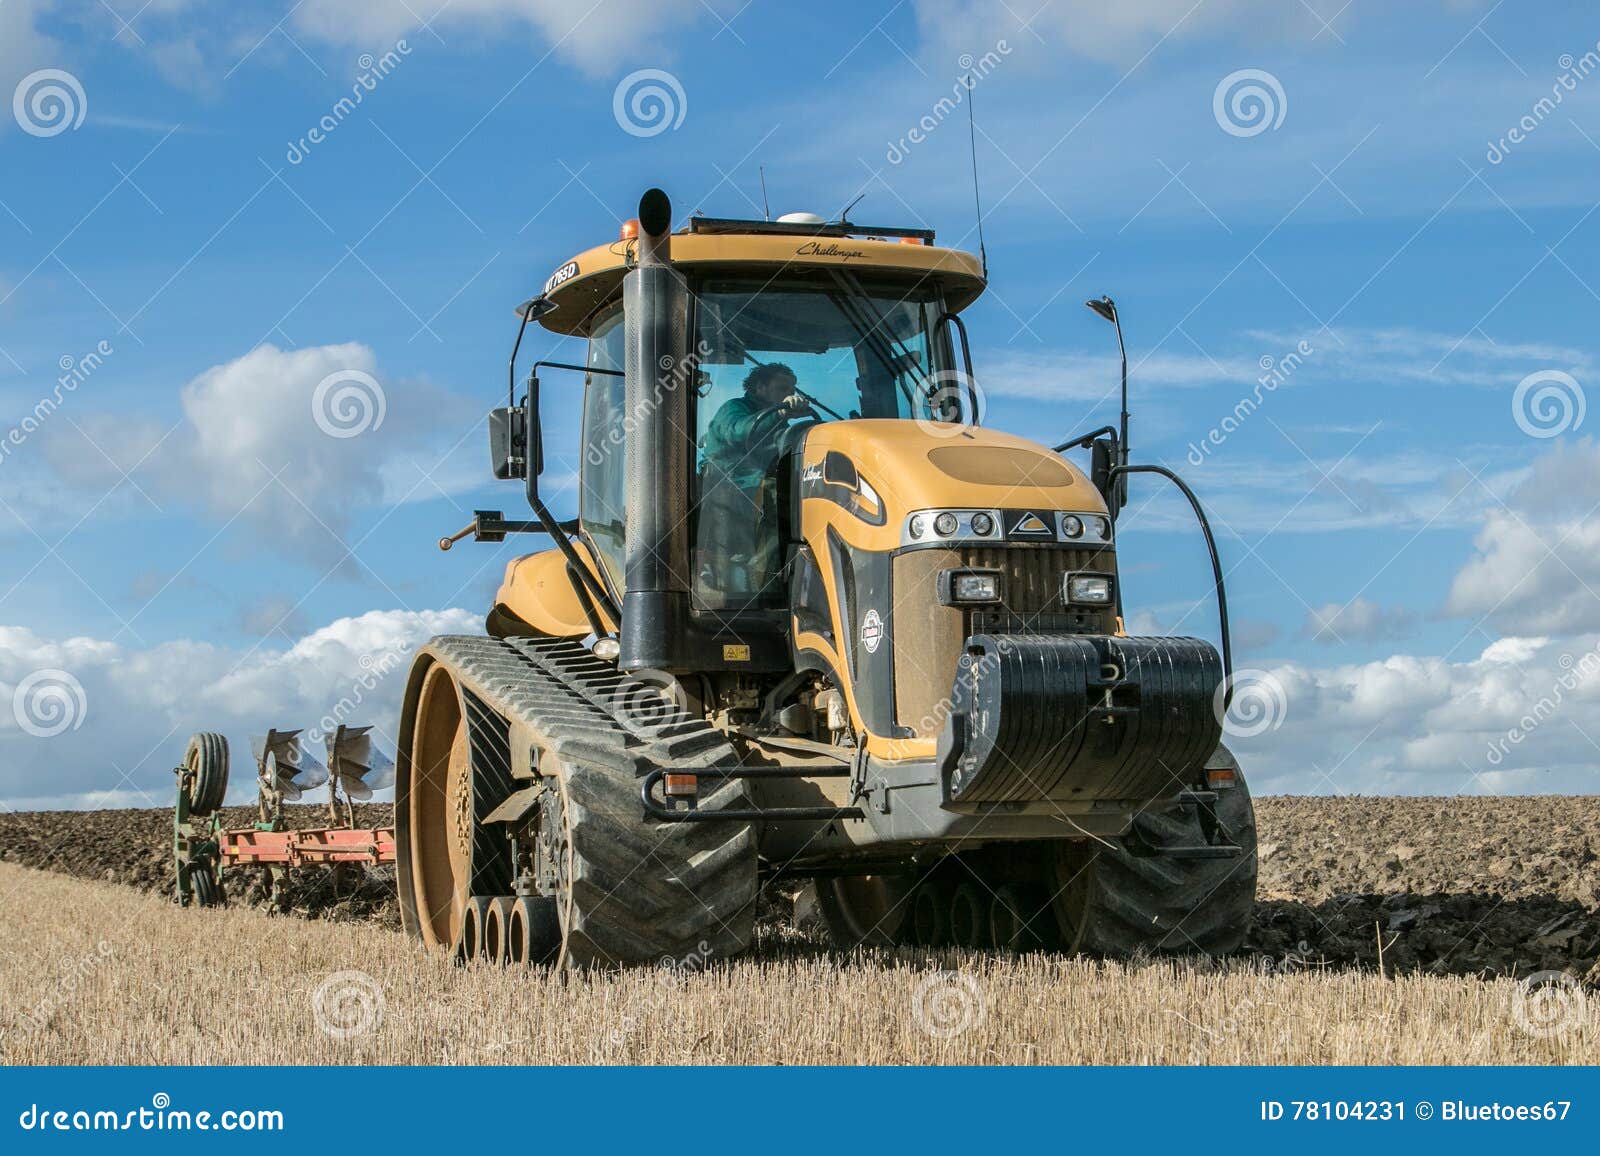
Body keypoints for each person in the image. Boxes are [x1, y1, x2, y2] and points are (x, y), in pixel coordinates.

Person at [698, 363, 814, 600]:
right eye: (782, 388)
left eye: (792, 390)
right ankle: (763, 580)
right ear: (760, 387)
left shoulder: (777, 424)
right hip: (729, 489)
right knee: (784, 504)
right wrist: (780, 413)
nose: (789, 394)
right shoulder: (734, 409)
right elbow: (739, 431)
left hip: (756, 487)